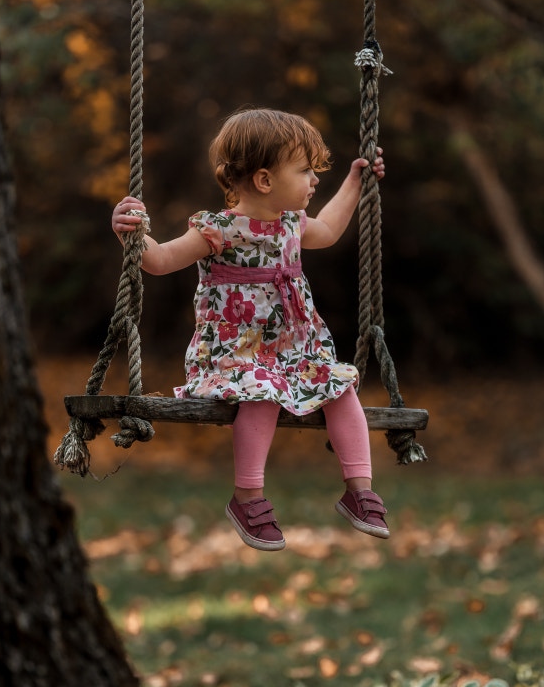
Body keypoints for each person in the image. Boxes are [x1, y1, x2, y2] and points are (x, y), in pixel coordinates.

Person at [111, 107, 389, 551]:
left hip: (296, 352)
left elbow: (333, 230)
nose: (315, 179)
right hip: (236, 354)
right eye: (305, 170)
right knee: (260, 394)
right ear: (264, 180)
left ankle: (360, 491)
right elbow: (159, 261)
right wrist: (132, 233)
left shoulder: (291, 226)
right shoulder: (217, 230)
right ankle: (248, 498)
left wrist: (356, 181)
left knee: (341, 385)